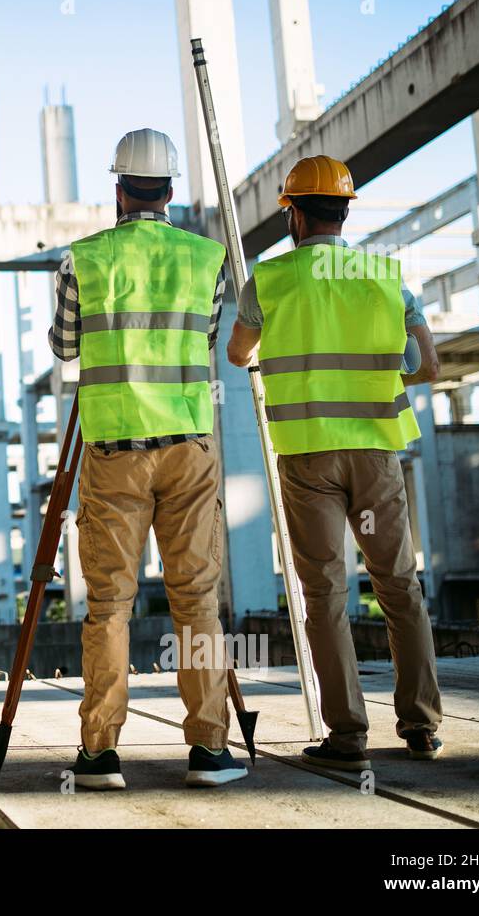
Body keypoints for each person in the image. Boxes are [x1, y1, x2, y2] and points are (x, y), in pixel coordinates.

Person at [225, 154, 444, 770]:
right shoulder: (386, 277)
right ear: (345, 211)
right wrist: (380, 370)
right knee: (399, 585)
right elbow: (429, 366)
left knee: (323, 592)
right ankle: (422, 727)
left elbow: (239, 356)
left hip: (307, 456)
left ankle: (347, 737)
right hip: (376, 452)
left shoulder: (267, 280)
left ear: (293, 213)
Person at [50, 129, 247, 789]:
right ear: (171, 188)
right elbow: (211, 338)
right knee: (197, 599)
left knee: (109, 603)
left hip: (115, 452)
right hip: (189, 447)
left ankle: (101, 753)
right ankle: (210, 751)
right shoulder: (207, 259)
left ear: (118, 189)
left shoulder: (84, 259)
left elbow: (64, 346)